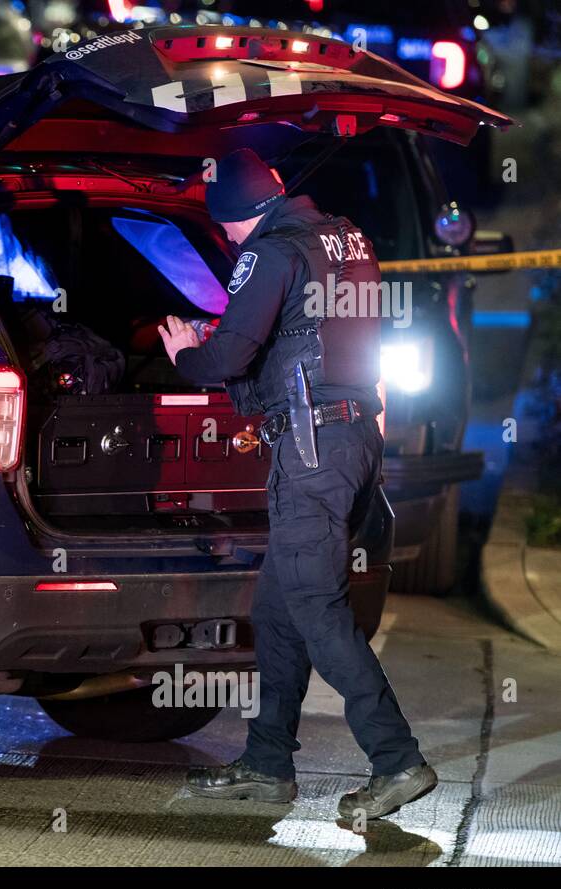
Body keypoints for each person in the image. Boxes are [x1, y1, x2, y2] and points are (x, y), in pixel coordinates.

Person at [158, 148, 437, 821]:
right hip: (355, 436)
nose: (224, 239)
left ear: (235, 215)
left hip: (312, 448)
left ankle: (396, 760)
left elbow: (228, 355)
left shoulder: (272, 250)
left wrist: (186, 352)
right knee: (279, 612)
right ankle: (266, 763)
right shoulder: (346, 236)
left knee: (315, 608)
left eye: (222, 226)